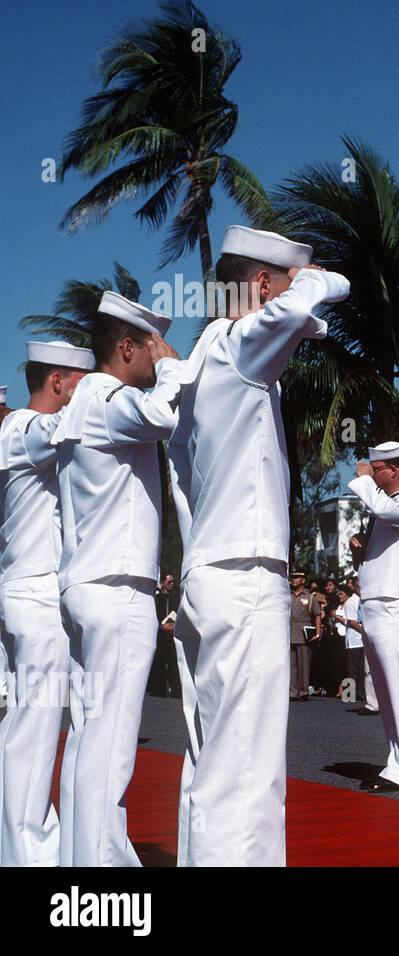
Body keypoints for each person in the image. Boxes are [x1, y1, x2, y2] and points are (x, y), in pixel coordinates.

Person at [168, 225, 349, 866]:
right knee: (246, 774)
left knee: (210, 764)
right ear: (265, 285)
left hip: (207, 574)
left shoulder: (194, 369)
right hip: (243, 576)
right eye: (284, 281)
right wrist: (314, 282)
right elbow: (311, 303)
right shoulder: (235, 349)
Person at [53, 291, 182, 866]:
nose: (157, 357)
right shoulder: (107, 396)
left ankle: (77, 863)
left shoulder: (80, 401)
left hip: (86, 584)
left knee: (87, 740)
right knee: (108, 746)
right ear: (125, 346)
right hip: (118, 586)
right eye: (150, 346)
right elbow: (164, 416)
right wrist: (176, 368)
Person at [0, 341, 92, 866]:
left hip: (24, 591)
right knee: (32, 733)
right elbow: (74, 429)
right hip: (36, 595)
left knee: (24, 725)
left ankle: (20, 845)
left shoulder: (15, 430)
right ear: (58, 383)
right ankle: (27, 854)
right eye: (81, 383)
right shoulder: (30, 429)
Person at [349, 442, 399, 792]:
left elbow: (383, 508)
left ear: (393, 470)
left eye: (376, 467)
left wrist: (364, 481)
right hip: (375, 604)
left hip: (395, 607)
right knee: (385, 692)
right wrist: (360, 549)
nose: (370, 472)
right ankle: (396, 763)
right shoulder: (386, 509)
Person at [289, 571, 319, 702]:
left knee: (304, 664)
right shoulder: (287, 595)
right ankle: (292, 691)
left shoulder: (310, 597)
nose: (293, 580)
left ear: (303, 580)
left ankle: (303, 691)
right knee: (291, 665)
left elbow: (317, 614)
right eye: (292, 578)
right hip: (289, 632)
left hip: (303, 633)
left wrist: (318, 633)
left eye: (297, 578)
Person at [338, 580, 368, 708]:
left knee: (361, 669)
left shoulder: (360, 600)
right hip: (354, 640)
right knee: (352, 669)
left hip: (360, 640)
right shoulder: (351, 601)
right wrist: (365, 632)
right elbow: (351, 621)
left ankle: (360, 693)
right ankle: (349, 695)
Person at [150, 573, 180, 698]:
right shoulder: (156, 598)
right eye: (169, 582)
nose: (172, 584)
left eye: (173, 582)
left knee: (174, 661)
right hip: (159, 633)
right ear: (162, 582)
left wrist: (174, 625)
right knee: (159, 660)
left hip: (172, 632)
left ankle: (176, 690)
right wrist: (160, 625)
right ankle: (158, 689)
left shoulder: (175, 598)